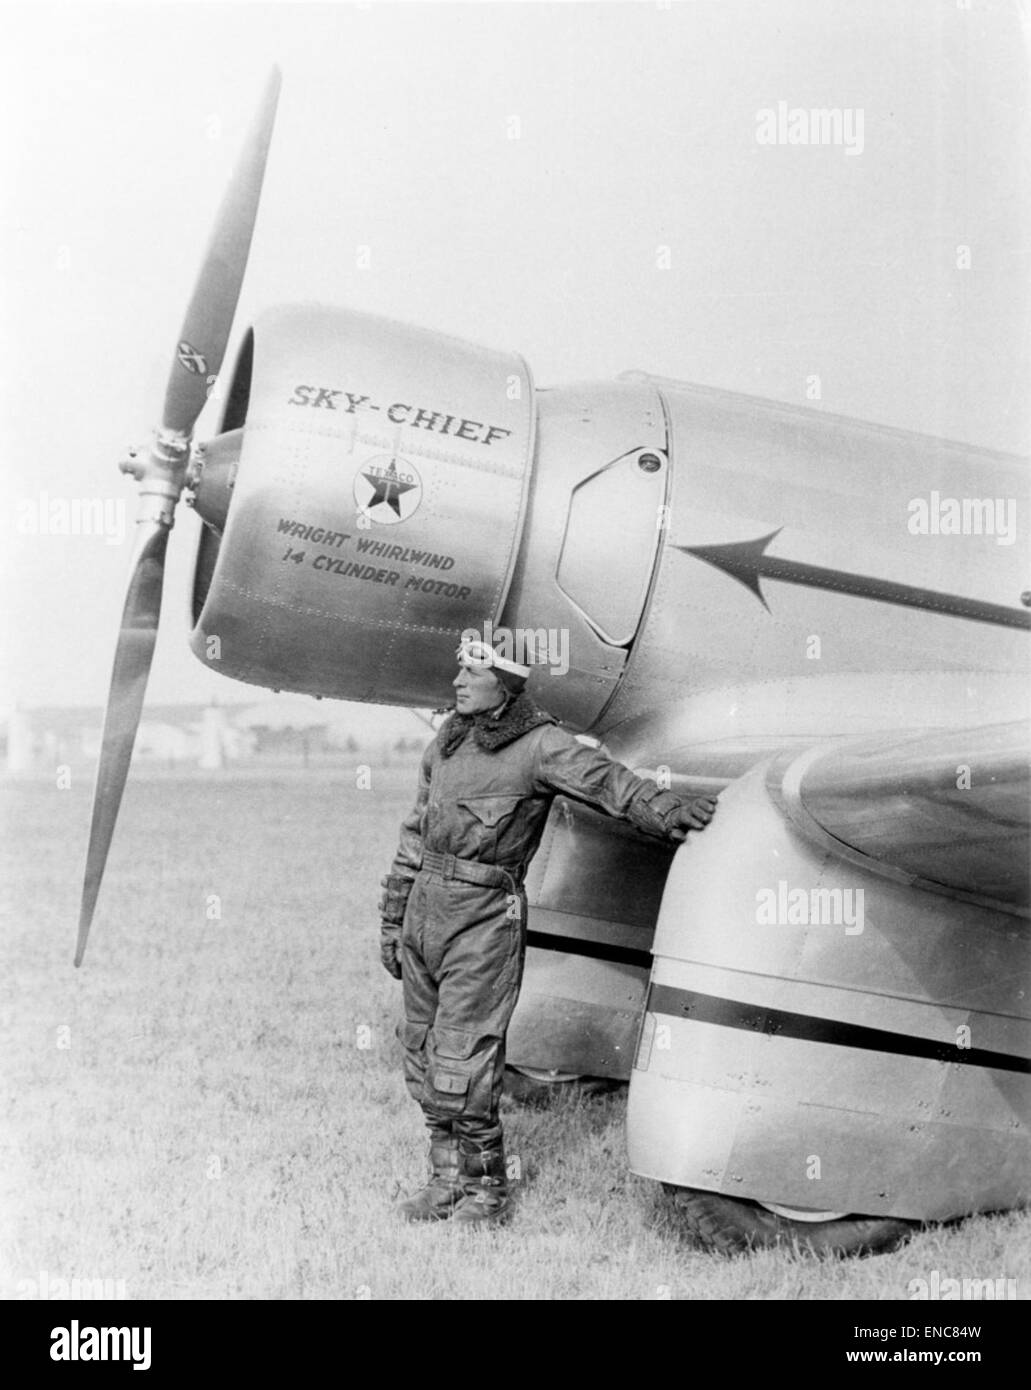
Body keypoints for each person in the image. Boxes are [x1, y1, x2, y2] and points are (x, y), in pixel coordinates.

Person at [378, 637, 717, 1225]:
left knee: (466, 1055)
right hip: (424, 911)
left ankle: (485, 1195)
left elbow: (608, 783)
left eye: (473, 669)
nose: (457, 678)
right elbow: (413, 837)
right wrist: (393, 920)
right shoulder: (445, 745)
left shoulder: (540, 745)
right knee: (422, 1051)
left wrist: (666, 810)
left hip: (485, 916)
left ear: (506, 683)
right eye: (459, 666)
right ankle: (443, 1182)